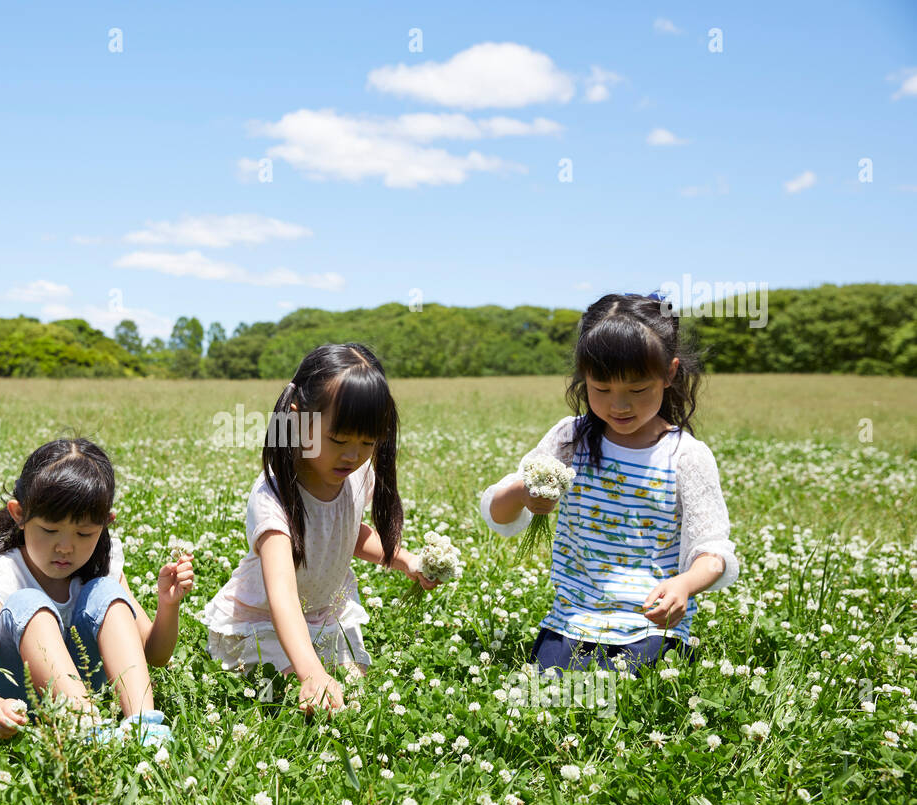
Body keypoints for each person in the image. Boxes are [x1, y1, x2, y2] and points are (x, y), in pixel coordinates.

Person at [480, 293, 739, 675]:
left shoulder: (687, 456)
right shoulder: (571, 439)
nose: (619, 406)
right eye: (601, 389)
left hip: (652, 623)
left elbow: (712, 549)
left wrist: (685, 584)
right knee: (549, 696)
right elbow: (498, 513)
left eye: (636, 390)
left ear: (669, 373)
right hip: (573, 618)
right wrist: (523, 493)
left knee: (631, 696)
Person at [200, 343, 438, 714]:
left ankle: (318, 665)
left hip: (326, 614)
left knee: (354, 692)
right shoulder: (273, 496)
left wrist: (403, 560)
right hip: (266, 620)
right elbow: (281, 593)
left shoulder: (359, 475)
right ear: (296, 421)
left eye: (367, 441)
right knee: (291, 691)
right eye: (339, 440)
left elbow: (348, 532)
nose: (352, 455)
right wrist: (310, 671)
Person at [0, 437, 194, 742]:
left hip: (83, 688)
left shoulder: (103, 563)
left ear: (106, 523)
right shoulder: (1, 574)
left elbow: (154, 655)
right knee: (27, 603)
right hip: (17, 700)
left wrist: (168, 605)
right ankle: (87, 727)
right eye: (49, 530)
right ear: (19, 514)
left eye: (84, 533)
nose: (65, 547)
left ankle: (144, 725)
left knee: (105, 592)